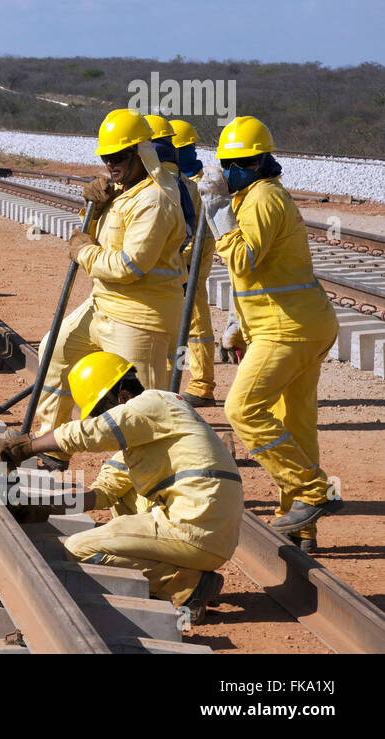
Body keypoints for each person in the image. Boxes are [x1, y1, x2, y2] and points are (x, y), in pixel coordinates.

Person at [0, 352, 240, 619]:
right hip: (208, 533)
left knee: (77, 549)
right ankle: (186, 576)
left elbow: (90, 432)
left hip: (194, 527)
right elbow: (103, 493)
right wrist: (39, 507)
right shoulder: (149, 432)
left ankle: (185, 587)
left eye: (99, 412)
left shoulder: (152, 403)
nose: (97, 419)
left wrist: (27, 447)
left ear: (122, 398)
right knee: (121, 496)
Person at [200, 116, 342, 548]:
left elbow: (242, 261)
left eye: (244, 162)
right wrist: (239, 326)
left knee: (242, 410)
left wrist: (219, 212)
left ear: (263, 160)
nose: (236, 169)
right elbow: (259, 277)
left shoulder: (260, 198)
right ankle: (300, 525)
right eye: (230, 162)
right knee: (294, 425)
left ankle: (313, 491)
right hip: (300, 324)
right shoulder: (254, 195)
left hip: (288, 330)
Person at [33, 109, 186, 469]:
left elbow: (130, 266)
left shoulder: (155, 200)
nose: (110, 164)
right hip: (102, 303)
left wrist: (83, 250)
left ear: (140, 154)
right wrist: (97, 210)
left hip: (140, 315)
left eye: (118, 157)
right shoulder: (123, 191)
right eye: (105, 158)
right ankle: (54, 444)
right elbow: (106, 239)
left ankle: (150, 485)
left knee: (145, 410)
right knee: (54, 350)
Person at [169, 119, 217, 407]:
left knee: (196, 322)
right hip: (187, 259)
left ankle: (202, 386)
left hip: (192, 261)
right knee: (183, 321)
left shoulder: (197, 185)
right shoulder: (192, 180)